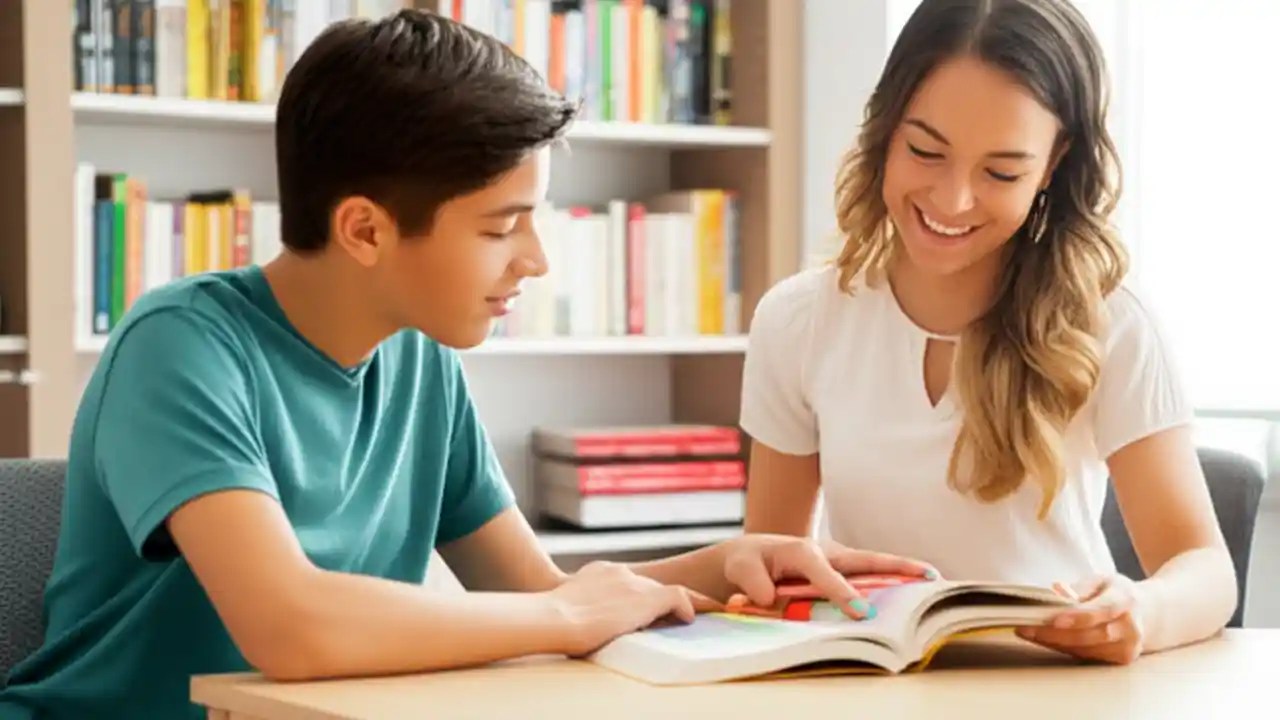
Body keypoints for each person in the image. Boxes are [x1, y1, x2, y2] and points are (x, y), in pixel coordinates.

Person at [0, 10, 936, 720]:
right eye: (501, 227)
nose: (535, 261)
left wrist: (723, 566)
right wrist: (566, 620)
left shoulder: (418, 360)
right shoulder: (182, 346)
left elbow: (540, 594)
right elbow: (289, 627)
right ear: (364, 229)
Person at [739, 0, 1237, 668]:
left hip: (1056, 686)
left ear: (1054, 163)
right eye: (925, 151)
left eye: (1001, 172)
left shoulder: (1110, 323)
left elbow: (1206, 571)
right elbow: (769, 565)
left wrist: (1142, 612)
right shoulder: (796, 321)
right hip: (870, 688)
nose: (953, 200)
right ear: (884, 129)